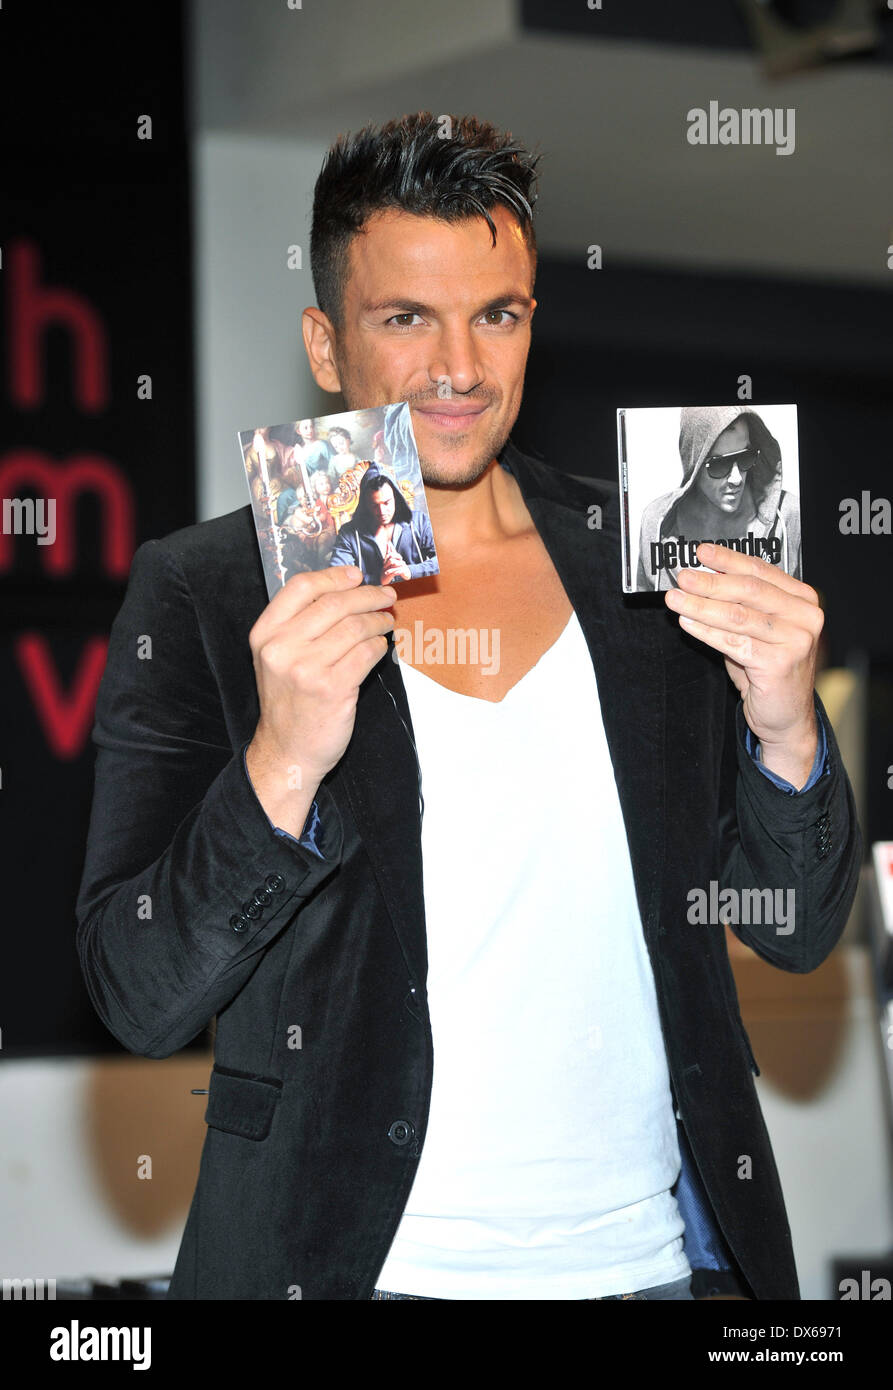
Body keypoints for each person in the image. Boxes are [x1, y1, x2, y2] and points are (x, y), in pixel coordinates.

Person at [76, 112, 860, 1302]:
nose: (459, 367)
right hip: (349, 1271)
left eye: (494, 313)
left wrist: (785, 727)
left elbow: (795, 932)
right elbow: (136, 989)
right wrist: (280, 766)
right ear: (326, 344)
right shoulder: (209, 589)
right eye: (406, 318)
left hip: (650, 1270)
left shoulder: (650, 560)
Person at [637, 407, 802, 591]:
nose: (737, 479)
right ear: (695, 464)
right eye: (719, 464)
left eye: (745, 457)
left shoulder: (789, 515)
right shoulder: (656, 520)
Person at [329, 467, 438, 583]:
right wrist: (379, 579)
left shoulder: (419, 520)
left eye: (387, 503)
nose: (382, 511)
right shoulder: (348, 533)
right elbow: (338, 577)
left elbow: (442, 560)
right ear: (365, 503)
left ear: (396, 497)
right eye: (374, 505)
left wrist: (409, 571)